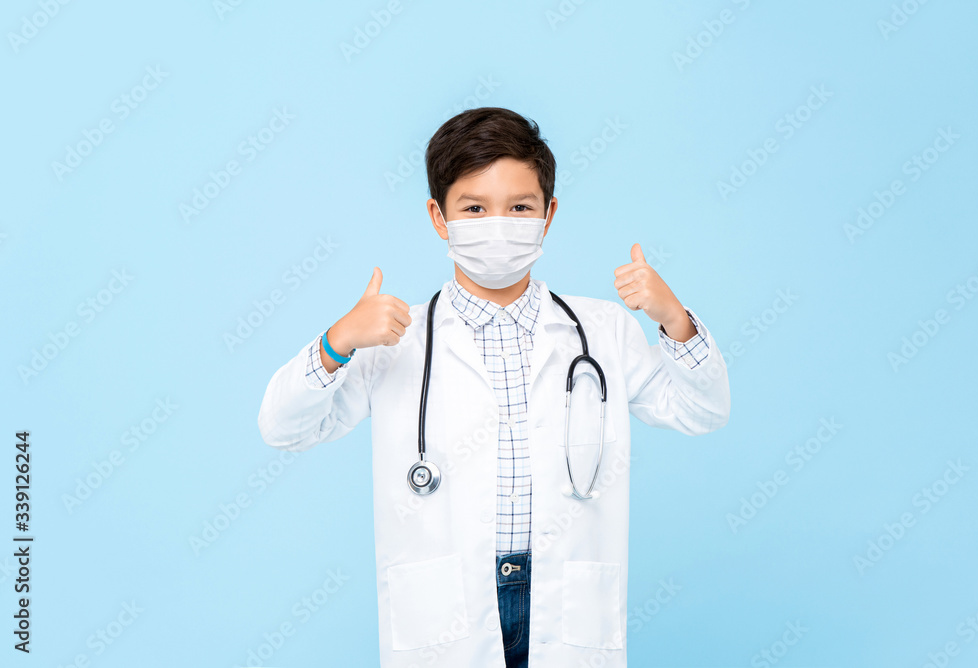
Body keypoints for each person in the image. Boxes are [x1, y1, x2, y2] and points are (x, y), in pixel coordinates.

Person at [257, 107, 730, 668]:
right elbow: (283, 428)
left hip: (566, 601)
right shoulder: (395, 340)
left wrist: (672, 317)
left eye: (520, 207)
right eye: (474, 208)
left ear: (548, 214)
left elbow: (704, 411)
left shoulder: (600, 331)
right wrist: (338, 342)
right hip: (447, 610)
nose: (498, 225)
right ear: (439, 217)